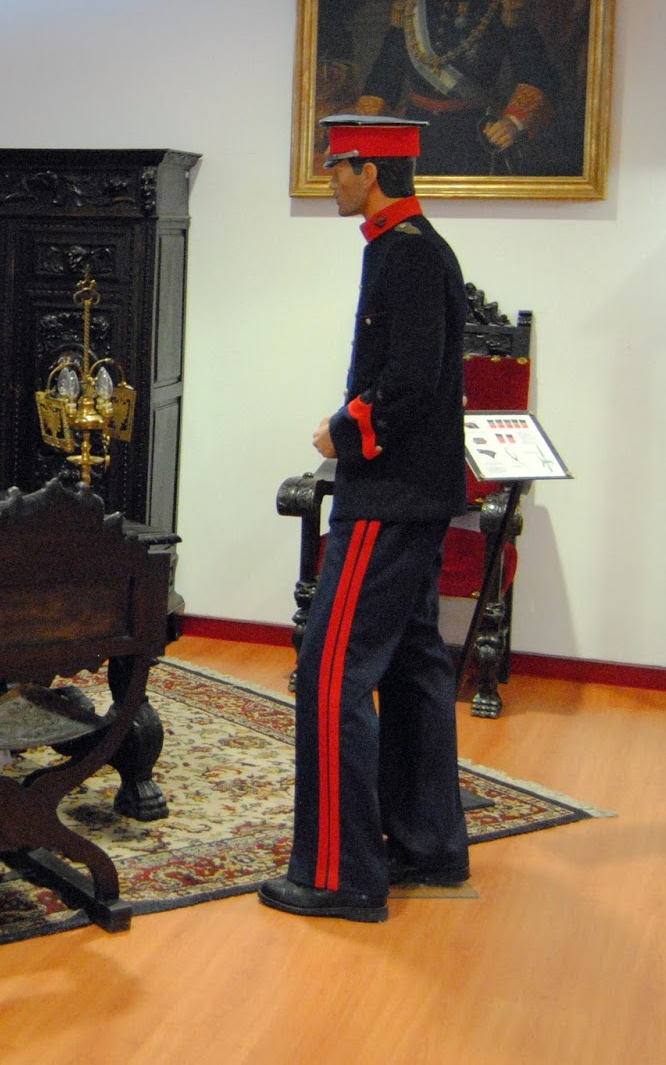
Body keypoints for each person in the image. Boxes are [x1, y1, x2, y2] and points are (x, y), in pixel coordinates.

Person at [260, 115, 471, 923]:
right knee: (415, 664)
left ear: (372, 169)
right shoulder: (405, 244)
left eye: (338, 166)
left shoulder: (409, 253)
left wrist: (340, 432)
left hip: (386, 499)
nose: (331, 179)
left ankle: (340, 873)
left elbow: (411, 381)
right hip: (415, 494)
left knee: (329, 673)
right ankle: (428, 845)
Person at [352, 0, 563, 176]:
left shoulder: (503, 7)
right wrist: (362, 132)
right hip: (418, 134)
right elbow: (383, 79)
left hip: (479, 133)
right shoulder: (408, 9)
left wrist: (513, 122)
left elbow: (537, 73)